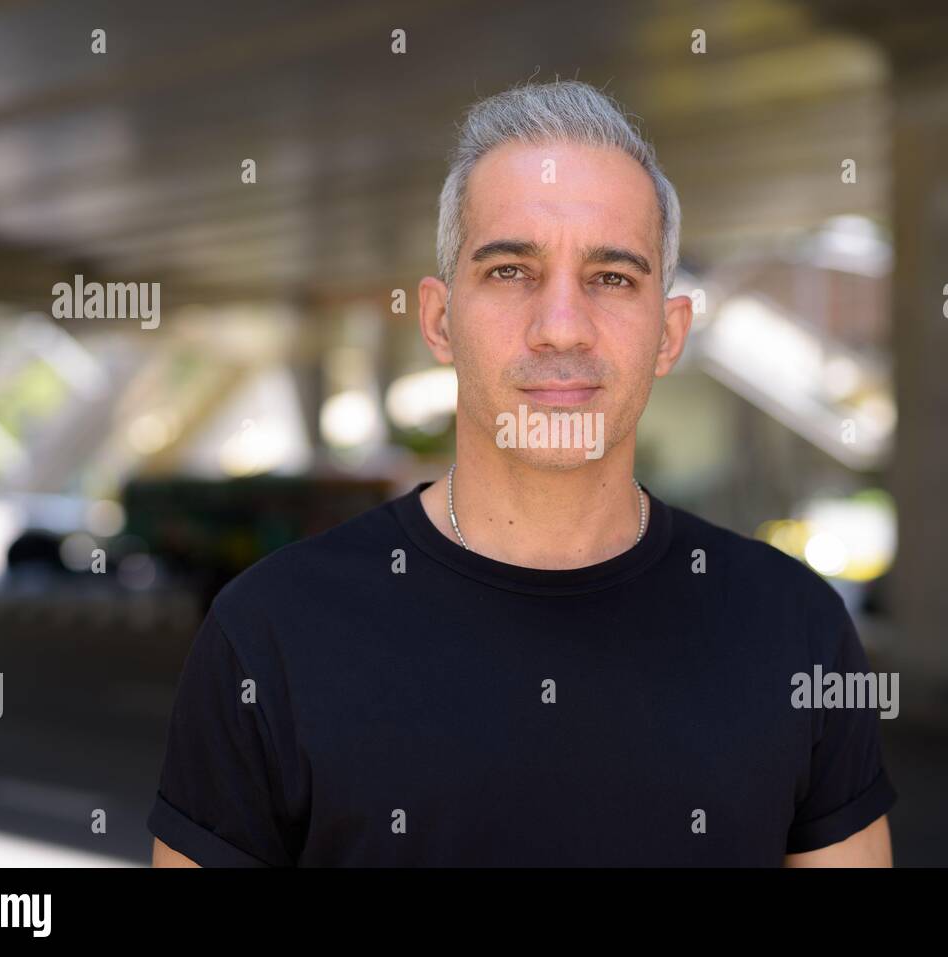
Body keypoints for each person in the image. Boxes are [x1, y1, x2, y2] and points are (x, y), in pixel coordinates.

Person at [148, 79, 896, 867]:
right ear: (440, 320)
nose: (561, 326)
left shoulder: (796, 632)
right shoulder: (269, 634)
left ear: (669, 333)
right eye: (511, 271)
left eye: (612, 277)